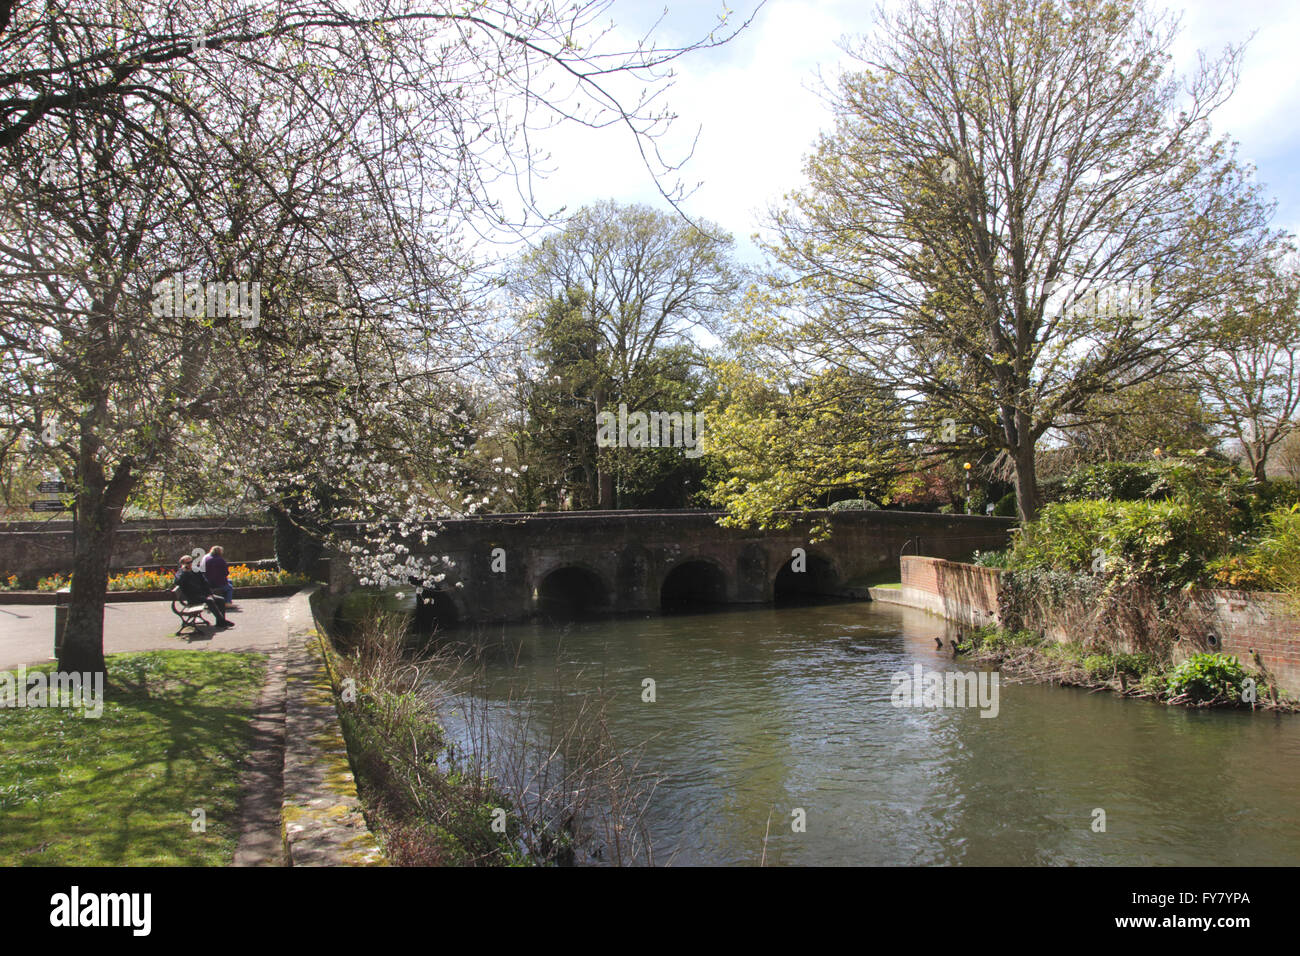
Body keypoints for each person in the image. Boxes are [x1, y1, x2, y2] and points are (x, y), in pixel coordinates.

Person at [175, 554, 233, 628]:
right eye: (188, 563)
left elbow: (205, 582)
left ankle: (220, 622)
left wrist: (210, 593)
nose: (190, 564)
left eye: (191, 562)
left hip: (203, 594)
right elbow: (177, 582)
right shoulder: (181, 573)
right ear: (183, 564)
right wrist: (185, 572)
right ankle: (222, 621)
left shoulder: (196, 571)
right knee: (210, 601)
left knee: (220, 599)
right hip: (193, 597)